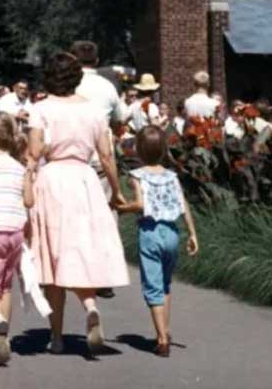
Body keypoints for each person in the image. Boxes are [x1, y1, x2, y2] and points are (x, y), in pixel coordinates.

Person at [28, 51, 129, 356]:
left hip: (53, 179)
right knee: (79, 250)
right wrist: (116, 190)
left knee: (53, 256)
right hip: (84, 179)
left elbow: (34, 152)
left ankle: (56, 337)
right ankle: (90, 304)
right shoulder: (94, 111)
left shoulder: (40, 109)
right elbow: (107, 156)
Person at [116, 126, 200, 357]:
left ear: (139, 152)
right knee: (165, 283)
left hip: (150, 232)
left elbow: (141, 205)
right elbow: (183, 205)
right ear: (164, 150)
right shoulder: (171, 176)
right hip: (172, 233)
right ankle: (166, 328)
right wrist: (192, 233)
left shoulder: (138, 176)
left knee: (152, 286)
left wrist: (122, 208)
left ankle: (162, 339)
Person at [72, 39, 128, 299]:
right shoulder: (107, 86)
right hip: (99, 157)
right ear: (95, 61)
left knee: (73, 214)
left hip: (71, 157)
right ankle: (104, 275)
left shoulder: (67, 84)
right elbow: (120, 118)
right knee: (105, 215)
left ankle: (73, 269)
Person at [0, 114, 35, 366]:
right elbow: (29, 201)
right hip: (15, 229)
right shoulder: (19, 167)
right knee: (6, 285)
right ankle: (5, 337)